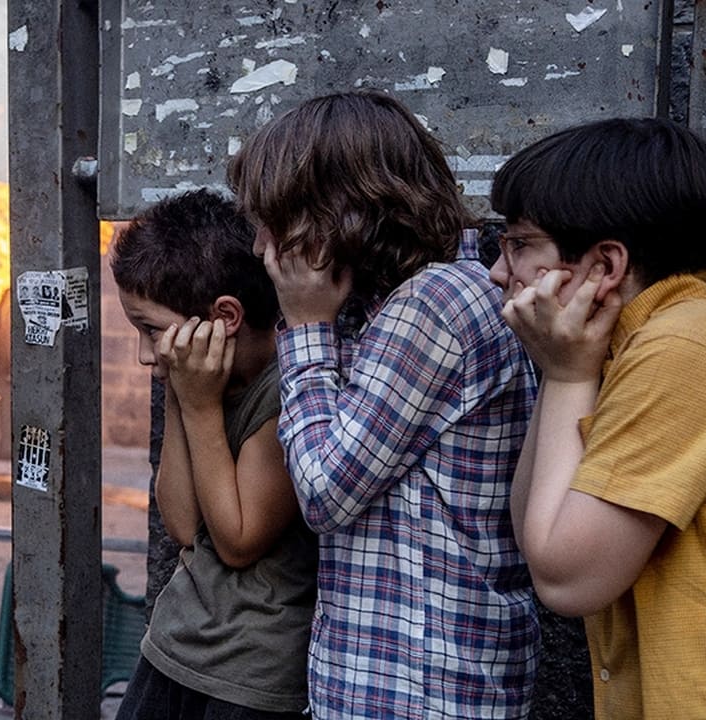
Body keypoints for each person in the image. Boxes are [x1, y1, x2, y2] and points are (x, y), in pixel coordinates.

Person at [227, 90, 539, 719]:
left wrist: (306, 326)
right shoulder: (396, 304)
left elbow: (324, 492)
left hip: (420, 691)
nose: (261, 246)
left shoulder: (435, 302)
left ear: (337, 213)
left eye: (275, 222)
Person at [488, 117, 706, 719]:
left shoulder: (683, 344)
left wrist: (567, 377)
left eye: (520, 244)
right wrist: (562, 368)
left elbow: (565, 578)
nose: (498, 272)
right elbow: (531, 527)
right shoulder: (631, 342)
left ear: (605, 265)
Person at [110, 189, 317, 719]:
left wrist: (200, 407)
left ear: (224, 316)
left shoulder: (287, 391)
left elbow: (238, 540)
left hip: (251, 672)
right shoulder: (201, 383)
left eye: (151, 330)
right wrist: (182, 396)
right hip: (175, 647)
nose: (144, 354)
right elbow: (182, 525)